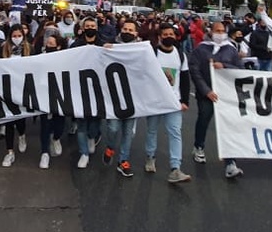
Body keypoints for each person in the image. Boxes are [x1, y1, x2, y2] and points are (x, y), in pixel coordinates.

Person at [189, 22, 245, 178]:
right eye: (217, 31)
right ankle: (199, 146)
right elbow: (195, 71)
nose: (220, 34)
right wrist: (206, 91)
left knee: (227, 126)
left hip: (226, 95)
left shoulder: (231, 50)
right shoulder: (201, 49)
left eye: (222, 31)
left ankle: (230, 162)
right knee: (204, 119)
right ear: (211, 32)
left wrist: (225, 65)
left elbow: (240, 69)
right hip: (206, 94)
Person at [145, 23, 192, 183]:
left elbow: (185, 79)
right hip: (154, 101)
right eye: (165, 34)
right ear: (159, 37)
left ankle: (175, 168)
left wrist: (185, 100)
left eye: (171, 34)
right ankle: (150, 157)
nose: (168, 37)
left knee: (175, 133)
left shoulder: (180, 55)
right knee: (152, 131)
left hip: (173, 101)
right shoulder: (152, 53)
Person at [101, 20, 142, 177]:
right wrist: (105, 50)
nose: (128, 32)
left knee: (127, 132)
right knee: (113, 128)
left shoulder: (142, 49)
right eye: (125, 29)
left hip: (133, 96)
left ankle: (123, 161)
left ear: (136, 33)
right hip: (114, 95)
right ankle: (110, 147)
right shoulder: (111, 45)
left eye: (131, 30)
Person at [70, 16, 107, 169]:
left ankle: (93, 137)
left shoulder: (103, 45)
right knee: (82, 123)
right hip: (80, 89)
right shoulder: (75, 45)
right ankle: (83, 153)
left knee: (94, 123)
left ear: (96, 28)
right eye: (88, 25)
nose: (90, 27)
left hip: (98, 90)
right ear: (83, 28)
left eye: (93, 25)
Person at [0, 25, 31, 167]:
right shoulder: (4, 48)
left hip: (23, 89)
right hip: (7, 90)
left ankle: (22, 135)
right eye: (14, 36)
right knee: (9, 120)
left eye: (19, 35)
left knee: (20, 119)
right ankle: (9, 152)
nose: (16, 38)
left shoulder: (30, 49)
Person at [37, 32, 68, 169]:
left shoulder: (65, 60)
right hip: (44, 96)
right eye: (47, 43)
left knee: (59, 123)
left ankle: (56, 138)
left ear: (59, 47)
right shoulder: (40, 58)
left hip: (60, 96)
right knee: (45, 125)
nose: (47, 45)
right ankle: (44, 153)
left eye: (51, 44)